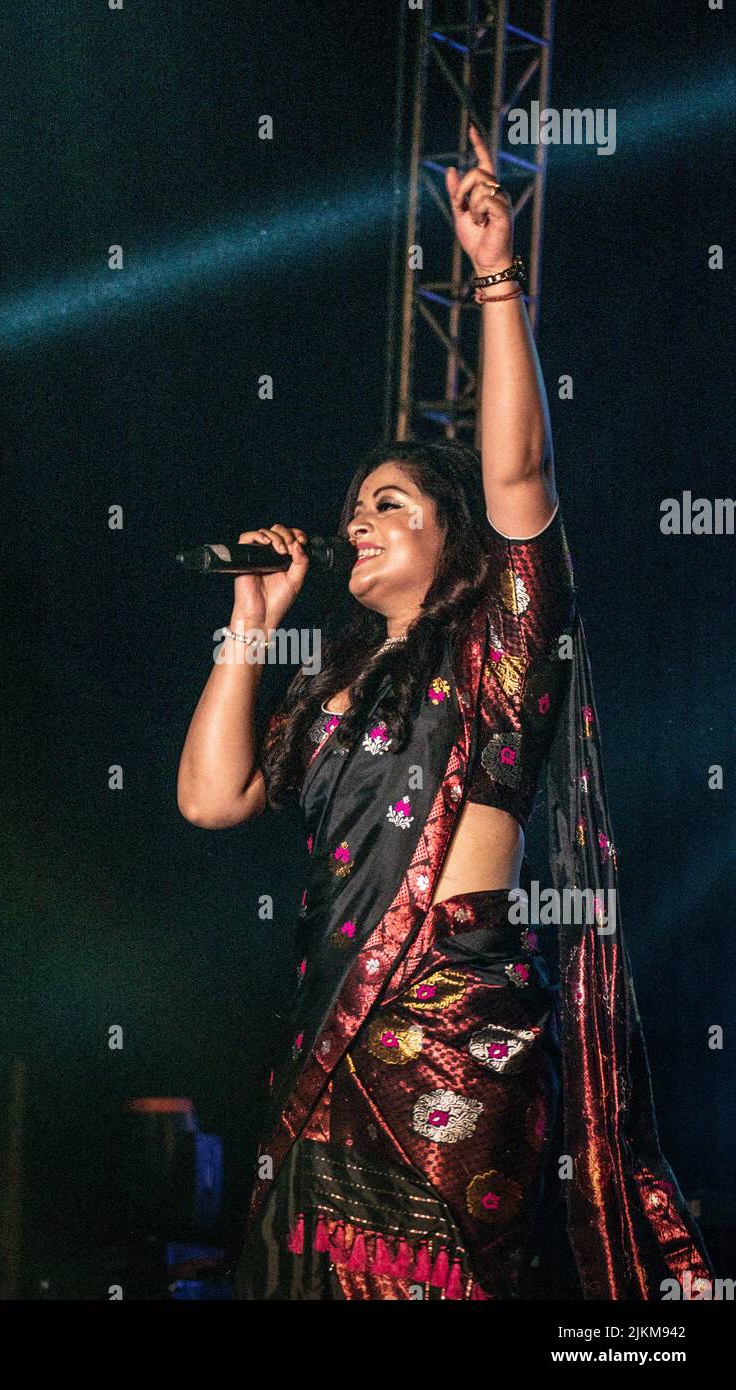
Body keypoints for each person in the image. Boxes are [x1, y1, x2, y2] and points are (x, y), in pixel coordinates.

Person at [177, 126, 714, 1300]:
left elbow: (517, 479)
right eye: (352, 508)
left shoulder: (498, 647)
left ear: (448, 536)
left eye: (385, 504)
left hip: (451, 1050)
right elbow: (211, 799)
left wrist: (490, 268)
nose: (355, 523)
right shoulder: (329, 689)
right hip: (327, 1057)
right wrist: (253, 622)